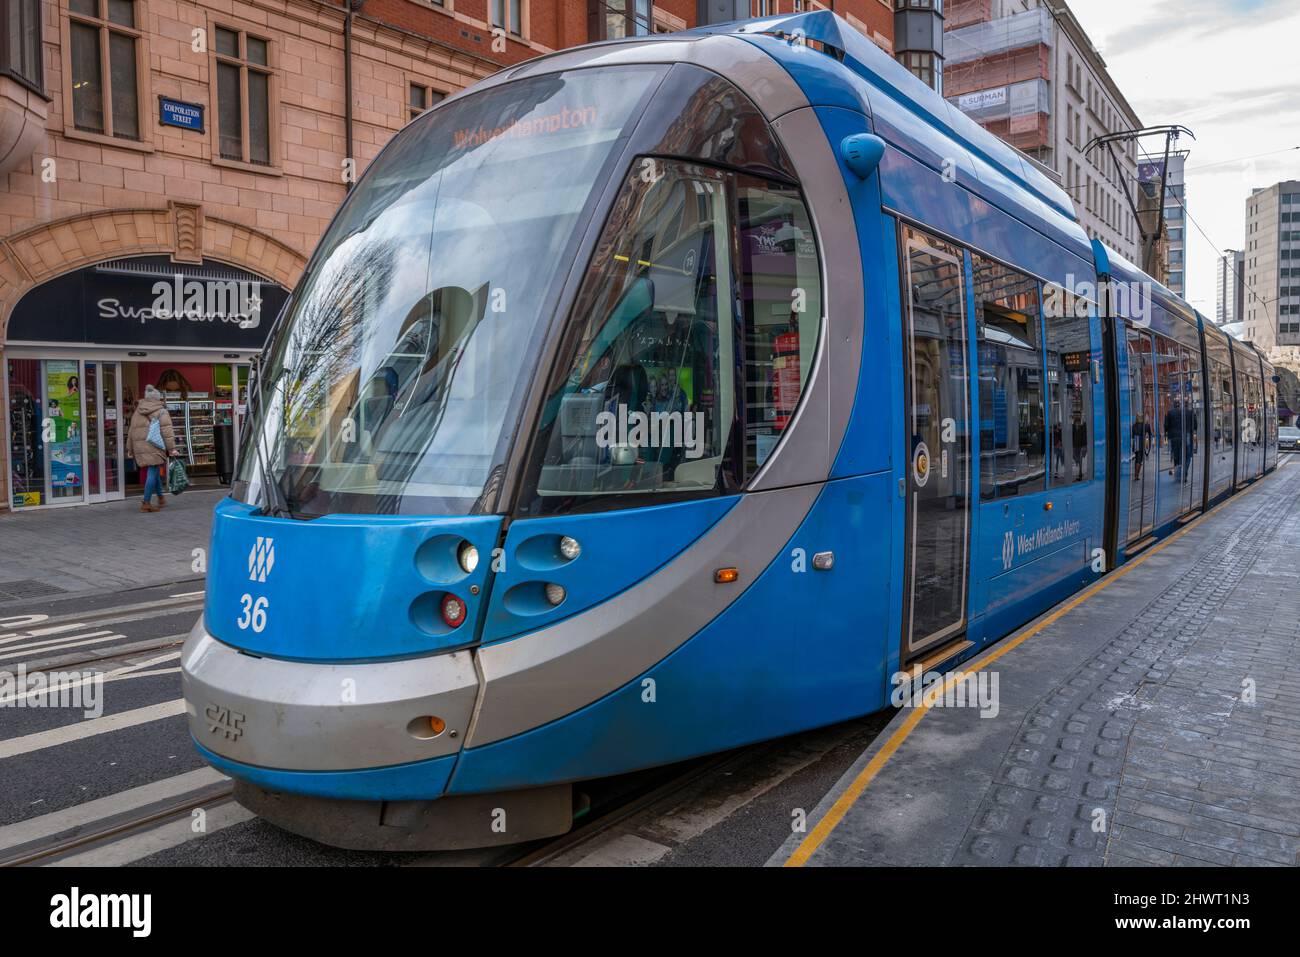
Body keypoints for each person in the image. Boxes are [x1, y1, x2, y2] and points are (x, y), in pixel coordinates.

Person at [126, 385, 180, 512]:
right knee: (152, 471)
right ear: (157, 398)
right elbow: (167, 432)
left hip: (140, 446)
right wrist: (172, 448)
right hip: (155, 446)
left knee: (154, 470)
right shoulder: (161, 411)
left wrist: (130, 448)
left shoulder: (138, 411)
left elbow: (131, 431)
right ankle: (146, 503)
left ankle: (161, 498)